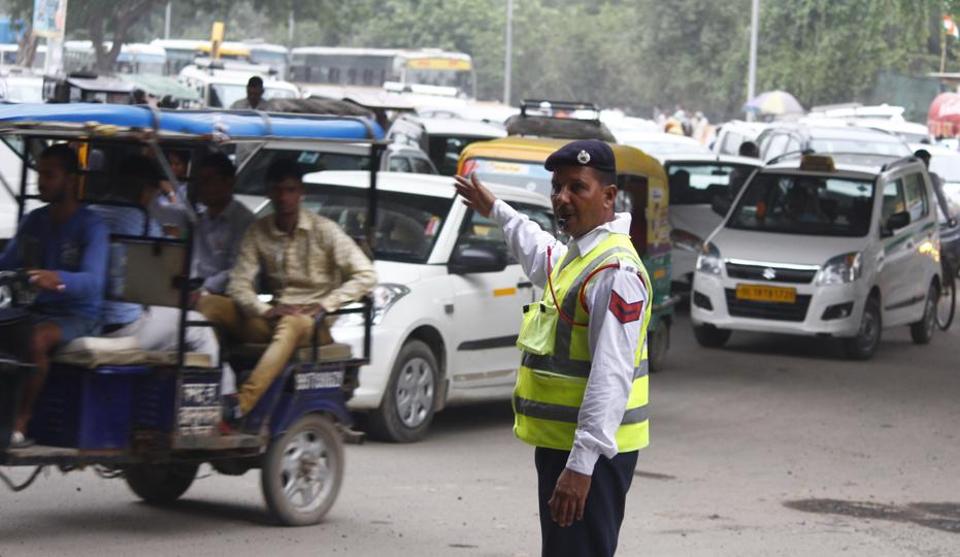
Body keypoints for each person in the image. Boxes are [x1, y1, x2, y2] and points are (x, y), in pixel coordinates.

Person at [454, 139, 651, 557]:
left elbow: (610, 374)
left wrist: (581, 466)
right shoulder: (579, 257)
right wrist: (495, 208)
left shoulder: (614, 272)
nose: (562, 198)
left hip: (592, 457)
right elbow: (538, 248)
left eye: (577, 187)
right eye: (557, 187)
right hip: (565, 448)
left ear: (609, 196)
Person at [199, 158, 377, 423]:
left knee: (292, 323)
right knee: (207, 305)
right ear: (269, 193)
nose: (284, 198)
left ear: (301, 193)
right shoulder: (259, 231)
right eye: (278, 190)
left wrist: (327, 304)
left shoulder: (324, 230)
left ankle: (243, 403)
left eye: (290, 190)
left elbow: (366, 275)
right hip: (273, 316)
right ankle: (210, 388)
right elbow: (239, 282)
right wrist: (263, 310)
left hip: (312, 324)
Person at [90, 154, 236, 397]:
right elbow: (171, 271)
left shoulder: (89, 211)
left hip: (89, 319)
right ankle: (227, 401)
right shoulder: (141, 220)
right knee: (199, 327)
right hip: (122, 325)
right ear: (145, 190)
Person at [0, 144, 110, 448]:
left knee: (35, 339)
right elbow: (7, 263)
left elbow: (92, 282)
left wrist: (56, 278)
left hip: (79, 316)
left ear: (72, 180)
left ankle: (20, 423)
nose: (41, 181)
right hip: (36, 310)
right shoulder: (34, 221)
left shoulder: (93, 226)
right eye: (39, 174)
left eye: (50, 175)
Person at [189, 152, 255, 299]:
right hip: (195, 289)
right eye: (201, 182)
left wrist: (204, 290)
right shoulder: (201, 219)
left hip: (225, 295)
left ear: (229, 182)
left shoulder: (244, 221)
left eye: (209, 181)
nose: (203, 188)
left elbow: (236, 270)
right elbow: (193, 261)